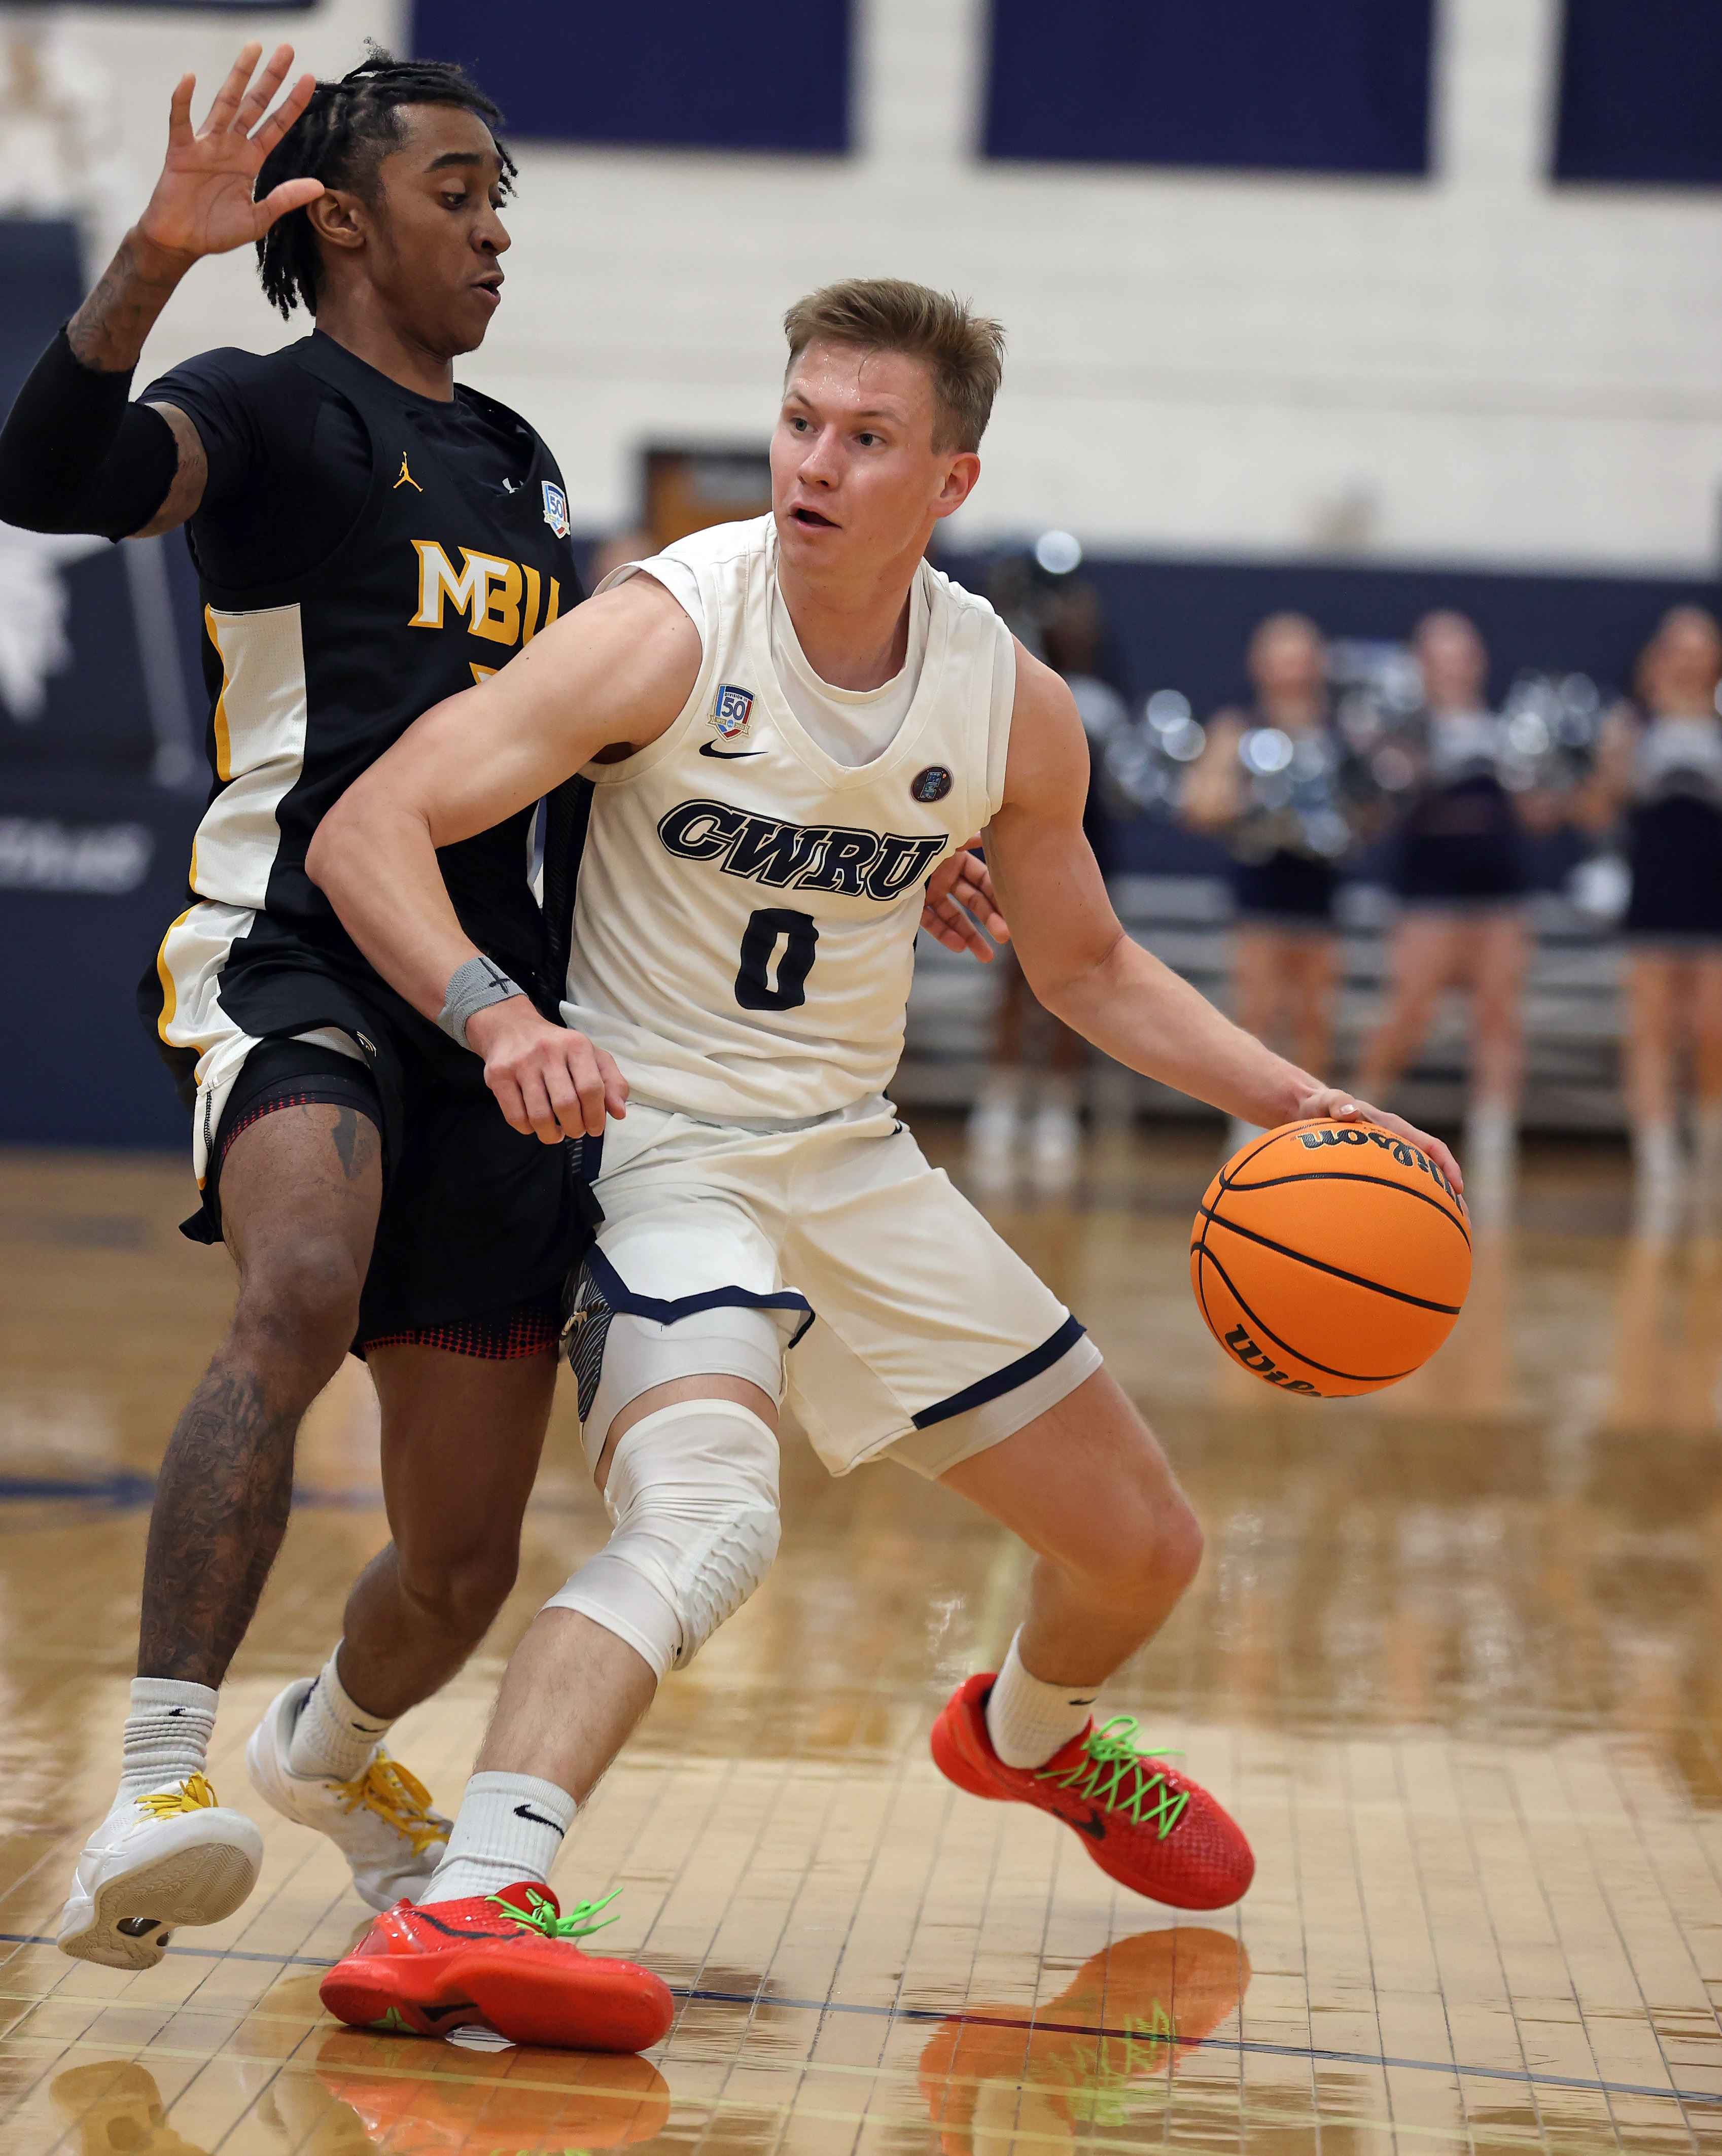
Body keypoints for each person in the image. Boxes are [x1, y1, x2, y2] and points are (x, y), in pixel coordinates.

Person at [304, 276, 1459, 2048]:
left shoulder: (1006, 699)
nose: (816, 464)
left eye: (867, 438)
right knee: (704, 1517)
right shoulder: (669, 629)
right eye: (799, 423)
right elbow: (373, 823)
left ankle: (1023, 1743)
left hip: (849, 1158)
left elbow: (1083, 965)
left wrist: (1296, 1103)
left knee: (1142, 1552)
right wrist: (494, 1017)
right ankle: (469, 1895)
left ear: (952, 479)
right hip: (658, 1147)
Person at [0, 43, 1005, 1976]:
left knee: (462, 1557)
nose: (493, 228)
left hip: (509, 1019)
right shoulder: (269, 409)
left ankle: (330, 1754)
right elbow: (47, 475)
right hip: (305, 946)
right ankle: (152, 1776)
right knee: (296, 1285)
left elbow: (614, 752)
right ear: (344, 219)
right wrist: (149, 261)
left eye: (500, 195)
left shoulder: (521, 462)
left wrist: (881, 836)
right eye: (456, 193)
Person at [1354, 612, 1542, 1223]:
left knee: (1498, 1012)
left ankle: (1493, 1140)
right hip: (1426, 891)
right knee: (1408, 1009)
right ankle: (1357, 1117)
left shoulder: (1504, 732)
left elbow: (1540, 813)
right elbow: (1372, 813)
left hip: (1497, 891)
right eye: (1438, 655)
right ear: (1418, 664)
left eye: (1461, 653)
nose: (1451, 666)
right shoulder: (1397, 732)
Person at [966, 573, 1129, 1192]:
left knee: (1073, 988)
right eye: (1064, 617)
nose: (1073, 627)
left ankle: (1059, 1107)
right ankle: (1001, 1100)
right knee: (1012, 983)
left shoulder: (1106, 703)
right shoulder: (1019, 688)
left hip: (1091, 863)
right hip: (1020, 856)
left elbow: (1116, 795)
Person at [1577, 607, 1722, 1239]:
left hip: (1713, 895)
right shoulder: (1631, 724)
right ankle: (1657, 1156)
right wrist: (1618, 757)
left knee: (1712, 1028)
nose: (1688, 659)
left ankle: (1711, 1145)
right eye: (1677, 647)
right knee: (1653, 1030)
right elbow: (1591, 813)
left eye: (1700, 647)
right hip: (1654, 892)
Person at [1180, 613, 1346, 1154]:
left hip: (1317, 885)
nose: (1290, 668)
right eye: (1280, 655)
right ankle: (1249, 1125)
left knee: (1313, 1013)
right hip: (1259, 884)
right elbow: (1199, 803)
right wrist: (1253, 800)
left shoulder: (1336, 731)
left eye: (1300, 655)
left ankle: (1314, 1123)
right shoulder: (1238, 726)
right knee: (1256, 1008)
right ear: (1259, 664)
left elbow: (1366, 807)